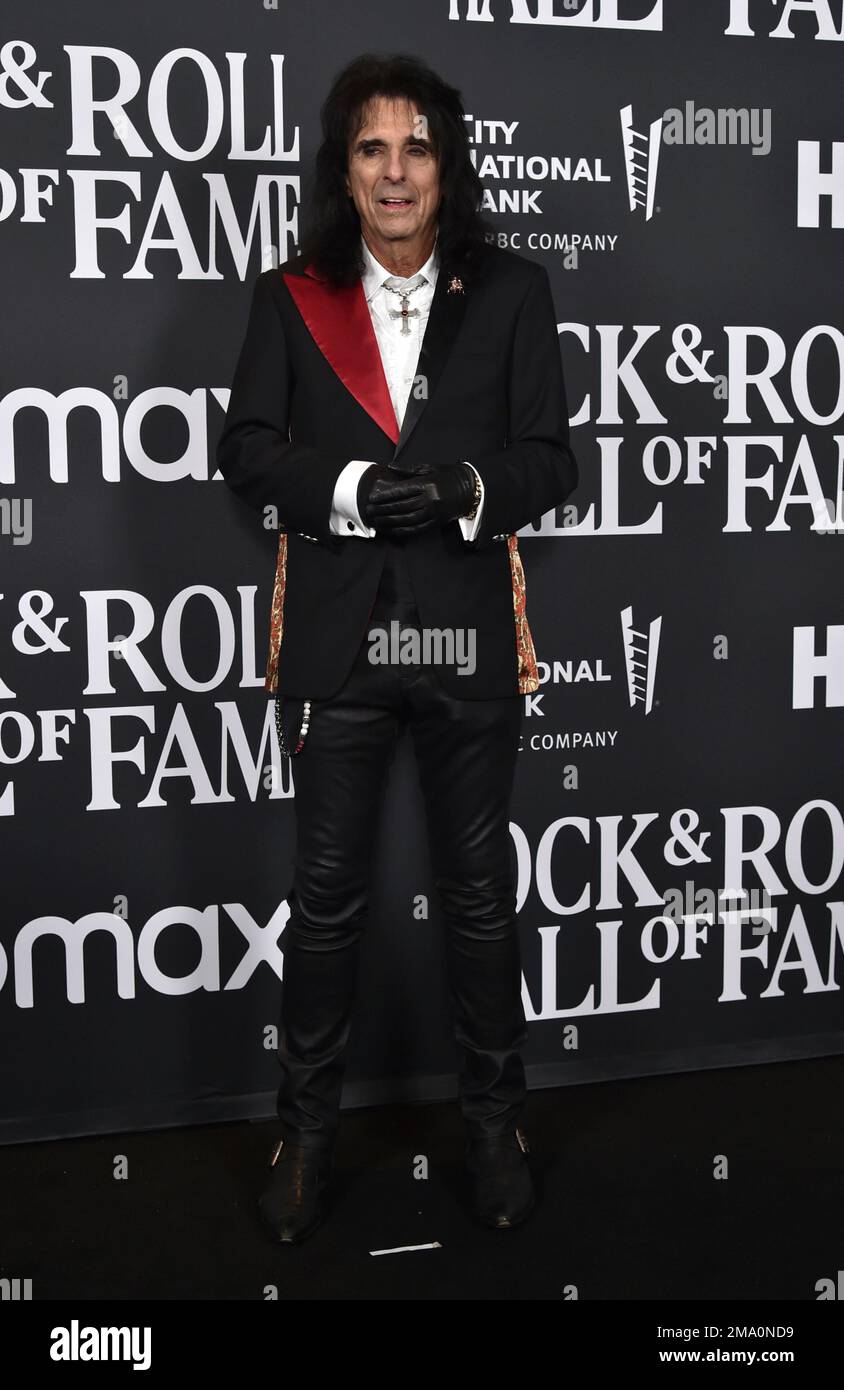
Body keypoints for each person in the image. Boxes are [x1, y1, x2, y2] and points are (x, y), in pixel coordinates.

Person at [216, 52, 578, 1244]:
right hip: (341, 642)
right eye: (370, 147)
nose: (394, 170)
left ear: (445, 164)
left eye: (415, 146)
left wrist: (470, 485)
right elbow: (250, 451)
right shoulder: (291, 293)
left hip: (467, 633)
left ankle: (494, 1130)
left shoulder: (513, 291)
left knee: (479, 899)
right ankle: (304, 1143)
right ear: (343, 166)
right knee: (323, 904)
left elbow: (552, 459)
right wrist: (359, 486)